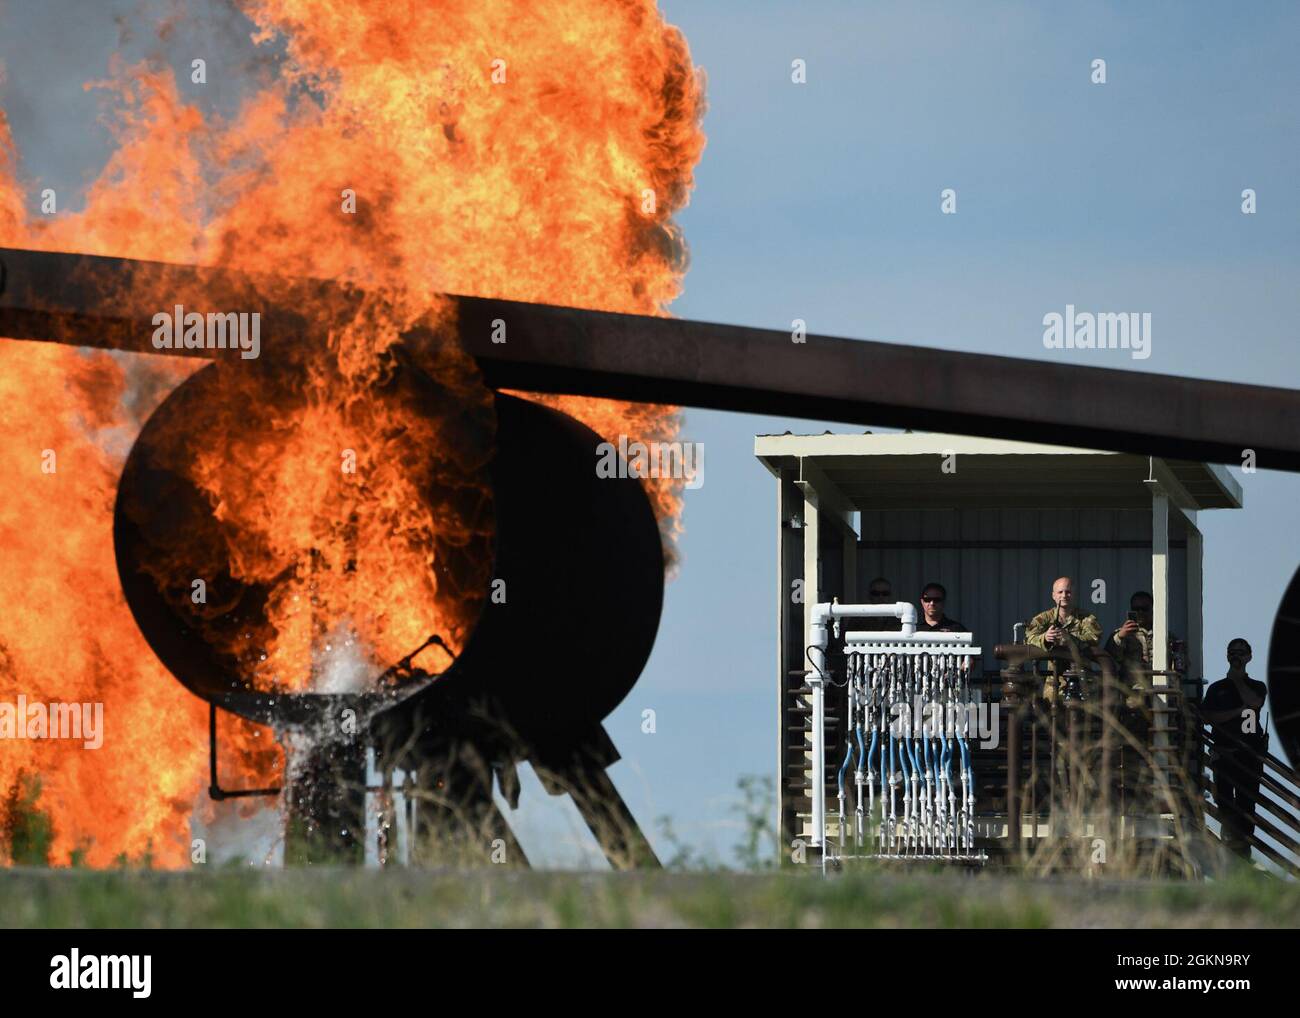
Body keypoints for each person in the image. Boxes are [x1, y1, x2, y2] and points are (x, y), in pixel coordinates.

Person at [1202, 638, 1269, 858]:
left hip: (1248, 756)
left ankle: (1243, 850)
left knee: (1246, 804)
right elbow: (1208, 717)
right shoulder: (1216, 688)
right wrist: (1238, 711)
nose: (1236, 656)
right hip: (1224, 754)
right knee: (1223, 800)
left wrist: (1237, 680)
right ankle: (1229, 844)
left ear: (1249, 656)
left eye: (1241, 652)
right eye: (1232, 652)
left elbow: (1255, 702)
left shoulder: (1257, 686)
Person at [1025, 576, 1101, 702]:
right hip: (1054, 682)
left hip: (1083, 681)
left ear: (1074, 595)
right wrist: (1045, 638)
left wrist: (1070, 640)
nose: (1064, 595)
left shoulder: (1087, 618)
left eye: (1068, 592)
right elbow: (1028, 638)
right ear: (1053, 595)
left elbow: (1094, 638)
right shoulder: (1043, 619)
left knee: (1084, 718)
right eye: (1060, 592)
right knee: (1052, 717)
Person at [1105, 590, 1157, 709]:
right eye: (1136, 609)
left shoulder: (1164, 636)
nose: (1140, 612)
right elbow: (1109, 658)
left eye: (1144, 609)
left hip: (1159, 690)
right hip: (1132, 692)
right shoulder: (1122, 634)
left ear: (1152, 609)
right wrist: (1121, 636)